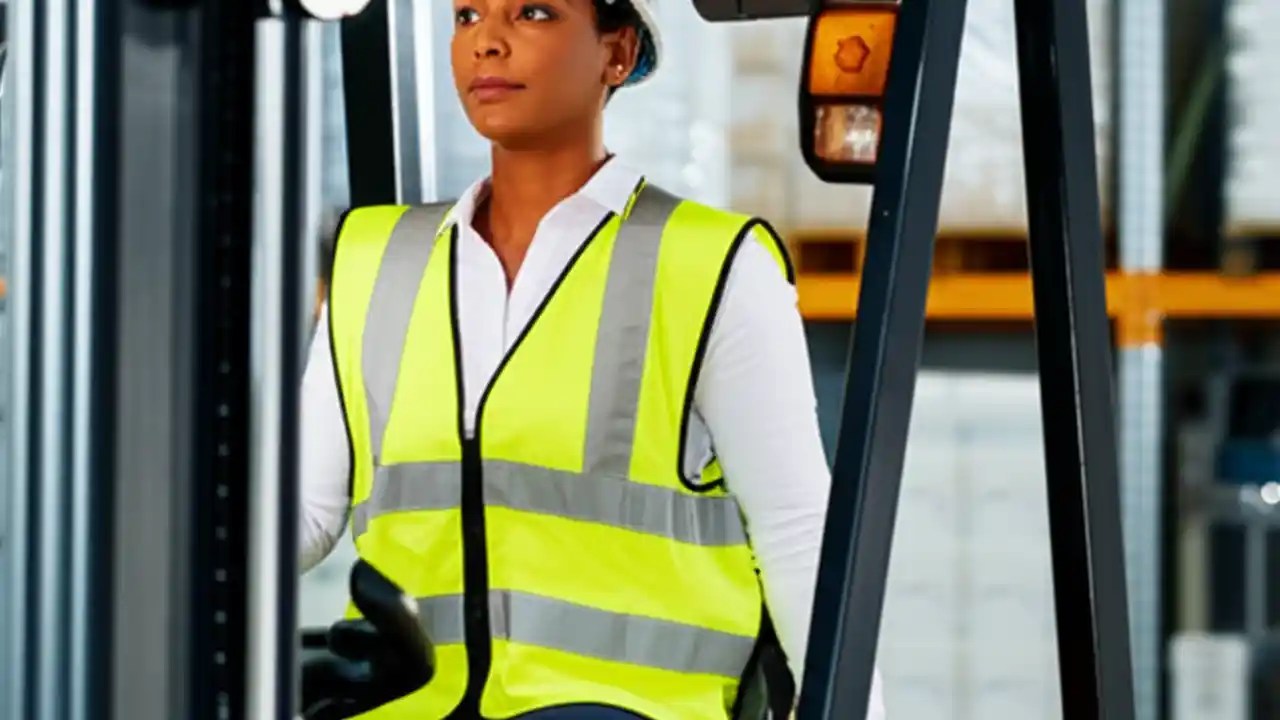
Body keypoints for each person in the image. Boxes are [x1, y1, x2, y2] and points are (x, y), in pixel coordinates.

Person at [298, 0, 887, 718]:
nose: (487, 42)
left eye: (533, 13)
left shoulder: (707, 267)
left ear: (617, 50)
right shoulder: (377, 261)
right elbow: (300, 515)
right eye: (466, 15)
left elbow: (798, 531)